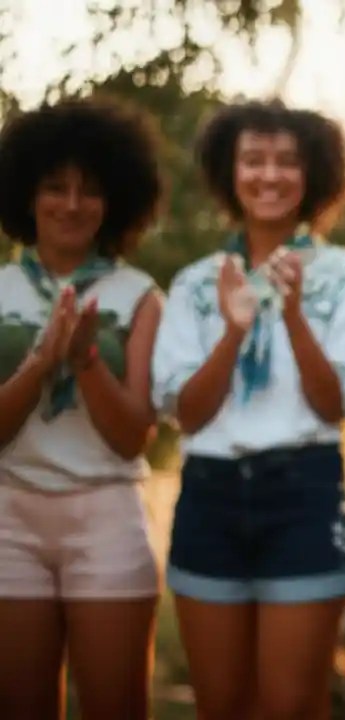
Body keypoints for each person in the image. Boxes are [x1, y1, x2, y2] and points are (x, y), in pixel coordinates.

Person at [151, 100, 345, 720]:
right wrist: (231, 332)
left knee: (291, 705)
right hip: (210, 494)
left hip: (304, 492)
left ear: (315, 176)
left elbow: (339, 404)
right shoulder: (199, 283)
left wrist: (296, 315)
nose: (269, 176)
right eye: (253, 160)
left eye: (288, 162)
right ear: (230, 172)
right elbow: (187, 415)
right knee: (221, 706)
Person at [0, 97, 164, 720]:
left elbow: (132, 437)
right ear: (25, 194)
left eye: (90, 190)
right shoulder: (3, 290)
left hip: (106, 516)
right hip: (8, 516)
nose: (72, 204)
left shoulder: (140, 295)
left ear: (116, 199)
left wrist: (87, 359)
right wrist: (42, 362)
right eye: (54, 187)